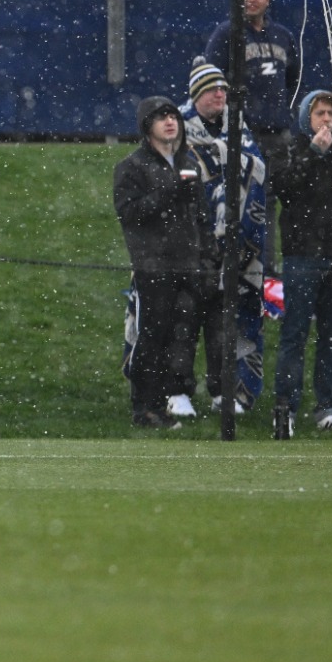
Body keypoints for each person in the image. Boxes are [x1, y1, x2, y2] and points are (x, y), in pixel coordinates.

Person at [180, 58, 269, 416]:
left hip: (237, 244)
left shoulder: (239, 126)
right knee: (183, 318)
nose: (220, 95)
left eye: (223, 89)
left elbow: (257, 169)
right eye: (212, 90)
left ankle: (228, 389)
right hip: (191, 242)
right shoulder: (178, 126)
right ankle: (177, 390)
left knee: (228, 319)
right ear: (196, 95)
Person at [113, 96, 207, 430]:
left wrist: (203, 255)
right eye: (161, 117)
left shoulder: (189, 163)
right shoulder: (131, 167)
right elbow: (129, 213)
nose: (170, 121)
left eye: (173, 116)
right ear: (146, 125)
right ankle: (144, 406)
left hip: (187, 264)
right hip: (152, 266)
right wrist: (169, 192)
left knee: (178, 336)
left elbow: (200, 216)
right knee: (151, 336)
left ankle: (165, 401)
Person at [271, 90, 332, 436]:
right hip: (302, 254)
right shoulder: (292, 148)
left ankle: (328, 406)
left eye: (331, 114)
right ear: (306, 118)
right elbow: (283, 188)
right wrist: (313, 152)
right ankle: (285, 409)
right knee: (294, 333)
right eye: (320, 113)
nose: (326, 120)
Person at [204, 0, 301, 169]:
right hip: (241, 133)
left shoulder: (283, 36)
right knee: (245, 185)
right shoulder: (226, 34)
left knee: (282, 184)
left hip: (278, 134)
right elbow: (212, 79)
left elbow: (294, 81)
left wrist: (288, 112)